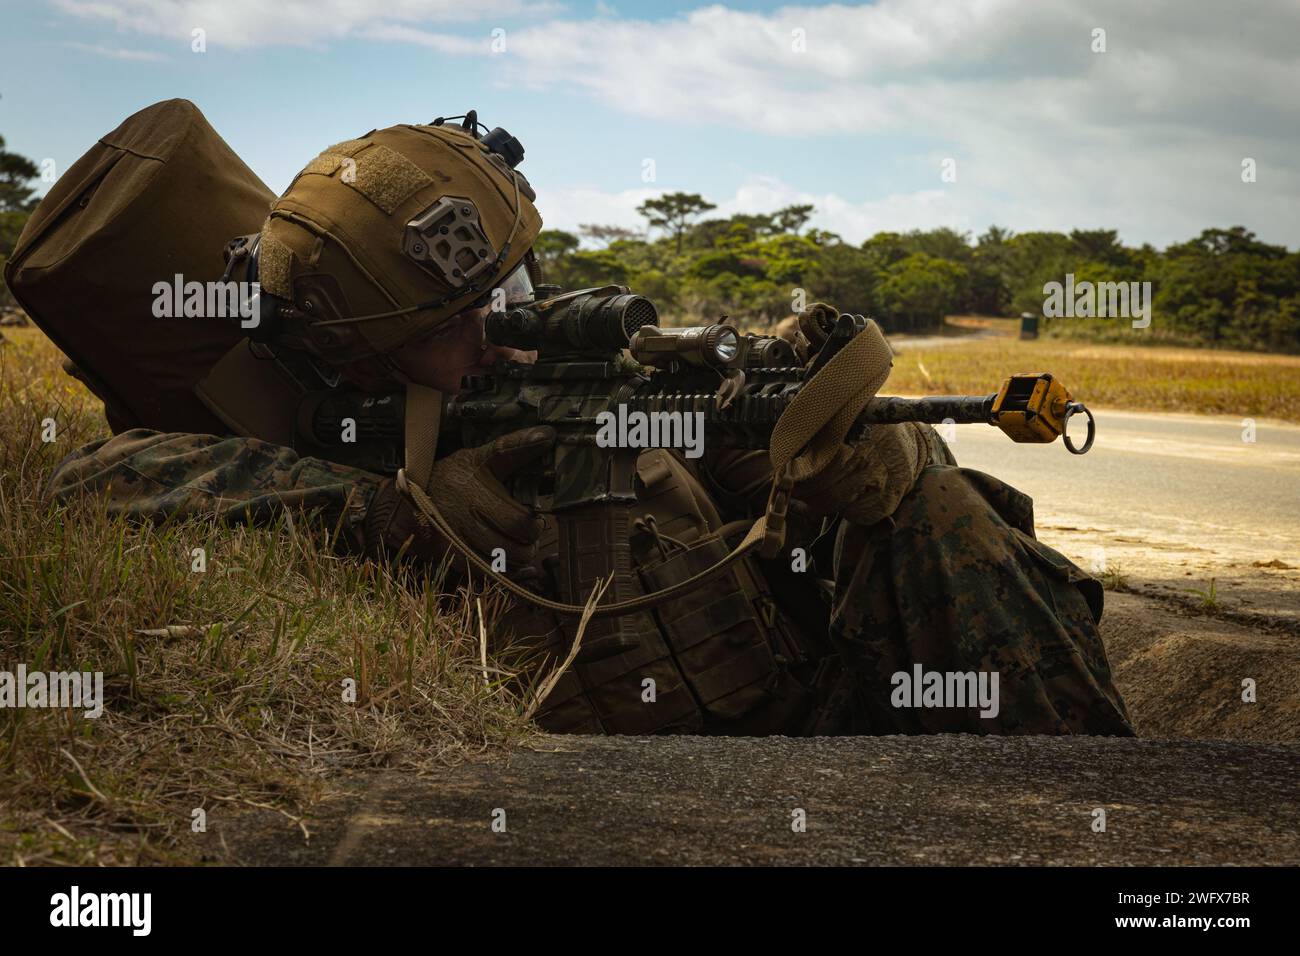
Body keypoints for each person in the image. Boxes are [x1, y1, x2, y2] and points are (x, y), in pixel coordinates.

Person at [44, 114, 1133, 737]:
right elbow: (94, 484)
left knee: (929, 489)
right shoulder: (319, 425)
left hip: (791, 709)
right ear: (350, 351)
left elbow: (778, 486)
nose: (505, 331)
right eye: (458, 324)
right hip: (599, 759)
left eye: (512, 289)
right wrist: (405, 514)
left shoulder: (590, 361)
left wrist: (847, 470)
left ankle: (1088, 799)